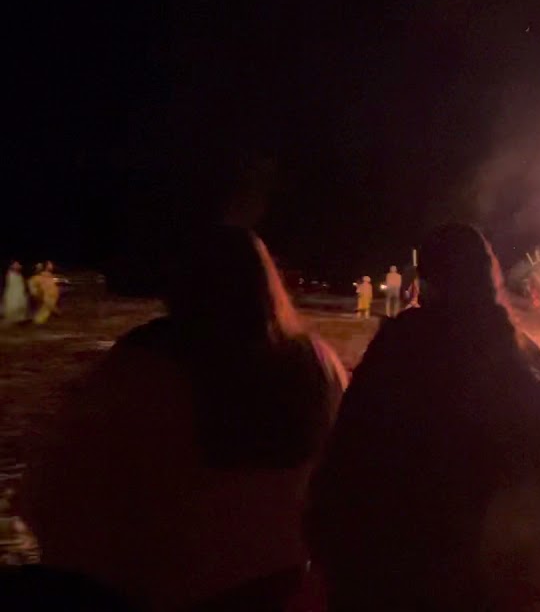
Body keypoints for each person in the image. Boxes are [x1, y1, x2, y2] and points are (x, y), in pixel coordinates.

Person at [20, 226, 348, 610]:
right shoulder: (315, 362)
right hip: (291, 586)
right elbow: (343, 474)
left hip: (180, 590)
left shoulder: (144, 369)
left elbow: (59, 494)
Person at [307, 224, 540, 612]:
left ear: (426, 277)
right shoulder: (522, 353)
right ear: (489, 277)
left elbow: (349, 455)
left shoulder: (400, 347)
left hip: (405, 570)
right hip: (495, 578)